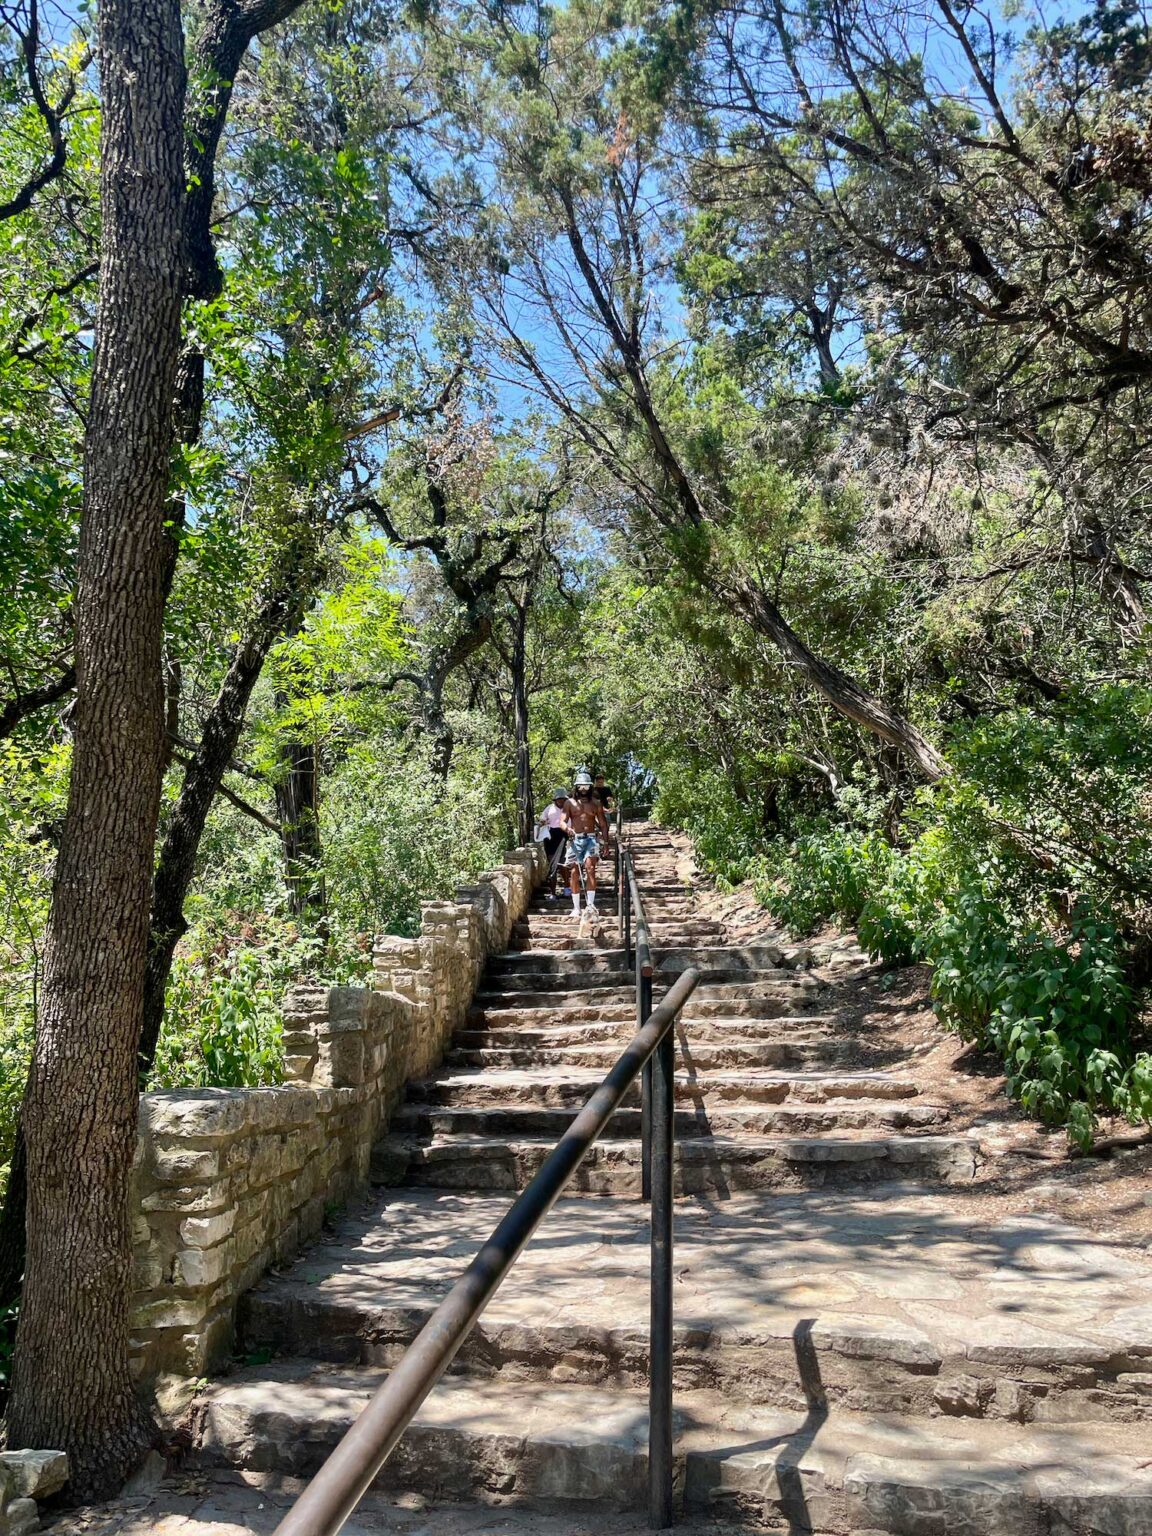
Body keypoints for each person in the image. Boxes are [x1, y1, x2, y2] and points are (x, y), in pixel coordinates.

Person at [563, 769, 609, 918]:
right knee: (574, 872)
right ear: (576, 787)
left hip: (590, 839)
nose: (583, 789)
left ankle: (591, 905)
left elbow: (602, 824)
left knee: (590, 869)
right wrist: (567, 828)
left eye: (586, 786)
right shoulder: (569, 803)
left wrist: (606, 843)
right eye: (580, 786)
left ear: (590, 787)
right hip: (575, 839)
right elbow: (561, 821)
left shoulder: (596, 803)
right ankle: (576, 907)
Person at [536, 788, 569, 901]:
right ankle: (553, 893)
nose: (561, 801)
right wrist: (543, 822)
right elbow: (541, 820)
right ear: (555, 799)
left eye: (563, 799)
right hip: (551, 837)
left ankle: (567, 888)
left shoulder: (568, 808)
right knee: (552, 865)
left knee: (562, 864)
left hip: (564, 836)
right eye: (559, 799)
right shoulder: (549, 809)